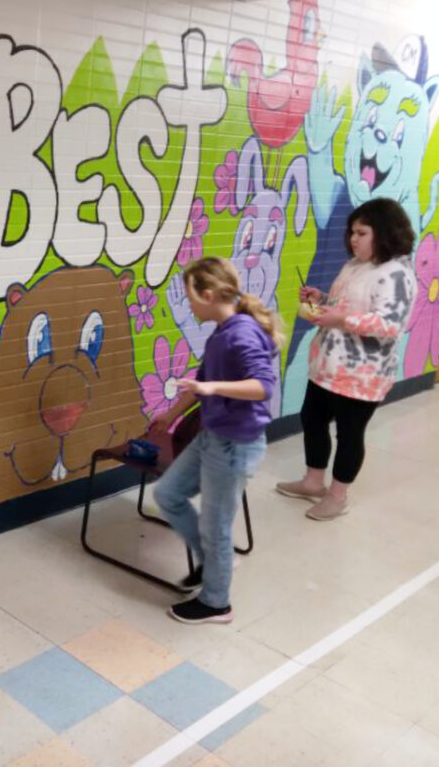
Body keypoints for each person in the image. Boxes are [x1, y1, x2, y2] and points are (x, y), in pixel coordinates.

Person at [148, 257, 283, 624]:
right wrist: (170, 416)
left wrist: (213, 388)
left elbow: (262, 387)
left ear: (208, 295)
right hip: (213, 436)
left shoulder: (241, 333)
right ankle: (212, 562)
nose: (189, 306)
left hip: (234, 445)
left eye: (191, 297)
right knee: (168, 494)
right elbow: (200, 382)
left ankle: (215, 602)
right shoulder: (222, 330)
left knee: (216, 526)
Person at [276, 197, 416, 520]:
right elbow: (347, 305)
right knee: (312, 419)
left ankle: (338, 496)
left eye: (362, 232)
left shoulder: (396, 274)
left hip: (362, 377)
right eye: (352, 232)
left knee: (349, 434)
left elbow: (389, 326)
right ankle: (313, 481)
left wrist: (340, 319)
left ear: (384, 233)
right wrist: (321, 300)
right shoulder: (355, 264)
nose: (353, 239)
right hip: (328, 366)